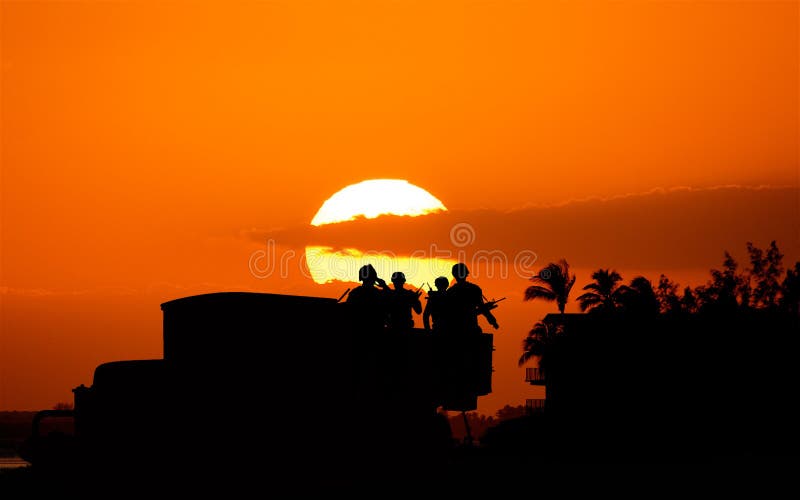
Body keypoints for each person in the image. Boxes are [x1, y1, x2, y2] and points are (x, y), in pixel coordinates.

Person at [445, 263, 499, 334]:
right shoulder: (474, 289)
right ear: (466, 274)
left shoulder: (450, 291)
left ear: (454, 275)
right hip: (471, 328)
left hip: (454, 329)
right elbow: (483, 308)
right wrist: (493, 321)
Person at [345, 264, 390, 331]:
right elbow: (392, 300)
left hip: (358, 328)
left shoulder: (355, 292)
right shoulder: (379, 294)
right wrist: (384, 286)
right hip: (376, 328)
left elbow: (347, 311)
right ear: (374, 278)